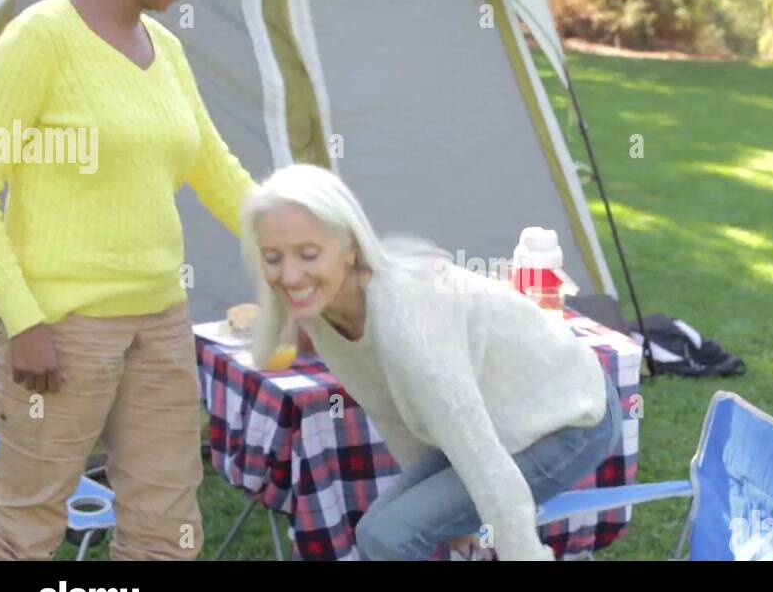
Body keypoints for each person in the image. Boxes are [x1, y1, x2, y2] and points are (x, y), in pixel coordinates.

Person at [243, 164, 623, 561]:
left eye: (308, 254)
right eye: (272, 257)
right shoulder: (324, 312)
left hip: (568, 415)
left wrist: (522, 553)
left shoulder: (407, 322)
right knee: (378, 532)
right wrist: (455, 526)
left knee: (389, 537)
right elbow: (391, 414)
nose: (289, 275)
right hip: (498, 421)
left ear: (350, 247)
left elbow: (485, 463)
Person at [0, 0, 255, 560]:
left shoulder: (169, 47)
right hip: (60, 328)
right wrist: (23, 321)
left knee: (167, 528)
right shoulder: (41, 37)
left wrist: (309, 242)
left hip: (161, 325)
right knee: (23, 530)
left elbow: (217, 169)